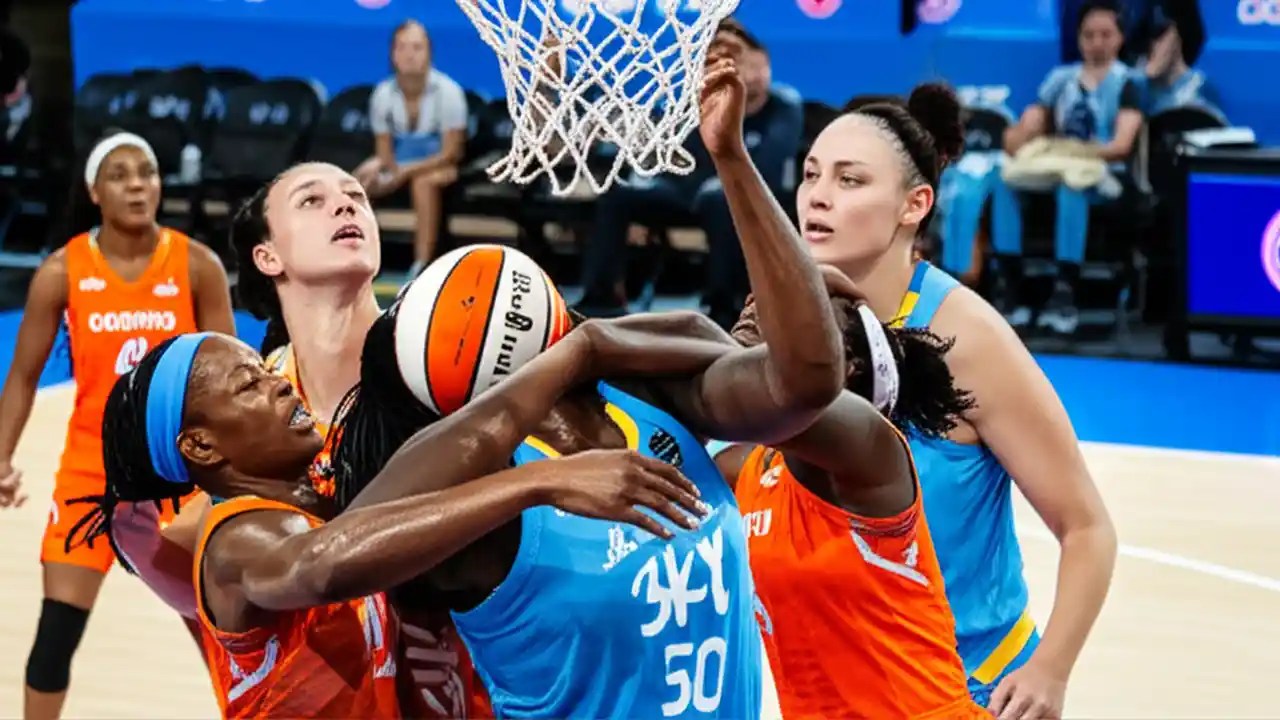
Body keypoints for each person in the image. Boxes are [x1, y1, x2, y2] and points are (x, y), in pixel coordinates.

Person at [328, 46, 846, 720]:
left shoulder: (646, 398)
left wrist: (732, 160)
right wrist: (547, 442)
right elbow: (338, 555)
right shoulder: (476, 490)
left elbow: (806, 379)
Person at [65, 324, 714, 717]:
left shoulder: (326, 493)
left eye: (267, 370)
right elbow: (317, 568)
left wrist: (586, 344)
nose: (279, 384)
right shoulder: (236, 537)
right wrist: (538, 481)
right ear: (203, 448)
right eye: (250, 386)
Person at [778, 81, 1117, 719]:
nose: (818, 196)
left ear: (916, 204)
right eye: (812, 175)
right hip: (836, 686)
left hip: (966, 686)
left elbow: (1089, 528)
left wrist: (1051, 670)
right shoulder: (787, 322)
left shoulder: (968, 339)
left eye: (850, 181)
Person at [0, 130, 235, 720]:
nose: (137, 185)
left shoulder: (195, 265)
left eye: (148, 172)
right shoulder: (62, 271)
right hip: (90, 477)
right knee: (54, 642)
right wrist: (0, 459)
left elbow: (236, 382)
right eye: (121, 174)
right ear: (94, 192)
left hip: (176, 478)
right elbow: (23, 377)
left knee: (222, 642)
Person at [713, 275, 990, 719]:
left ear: (846, 365)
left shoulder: (865, 452)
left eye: (794, 317)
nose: (759, 311)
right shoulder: (748, 466)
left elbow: (773, 394)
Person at [574, 17, 804, 329]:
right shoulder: (700, 96)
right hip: (688, 189)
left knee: (717, 194)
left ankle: (723, 304)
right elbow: (672, 155)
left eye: (736, 54)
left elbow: (770, 167)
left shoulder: (783, 105)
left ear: (761, 61)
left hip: (745, 196)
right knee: (619, 192)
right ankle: (601, 297)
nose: (728, 61)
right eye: (718, 54)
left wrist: (745, 94)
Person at [996, 0, 1145, 335]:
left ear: (1120, 38)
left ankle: (1065, 293)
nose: (1097, 42)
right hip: (1056, 163)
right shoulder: (1059, 80)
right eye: (1089, 35)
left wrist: (1076, 153)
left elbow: (1121, 147)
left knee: (1072, 186)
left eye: (1106, 34)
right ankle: (1011, 287)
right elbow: (1017, 140)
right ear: (1078, 39)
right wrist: (1026, 129)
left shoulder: (1128, 83)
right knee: (1004, 181)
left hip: (1102, 175)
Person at [354, 19, 467, 277]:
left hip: (439, 164)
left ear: (429, 53)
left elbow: (452, 153)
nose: (409, 55)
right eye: (402, 47)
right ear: (393, 54)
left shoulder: (449, 92)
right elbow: (384, 152)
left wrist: (405, 172)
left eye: (417, 47)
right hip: (399, 161)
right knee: (359, 180)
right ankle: (363, 259)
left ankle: (420, 265)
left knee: (423, 183)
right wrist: (386, 170)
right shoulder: (382, 93)